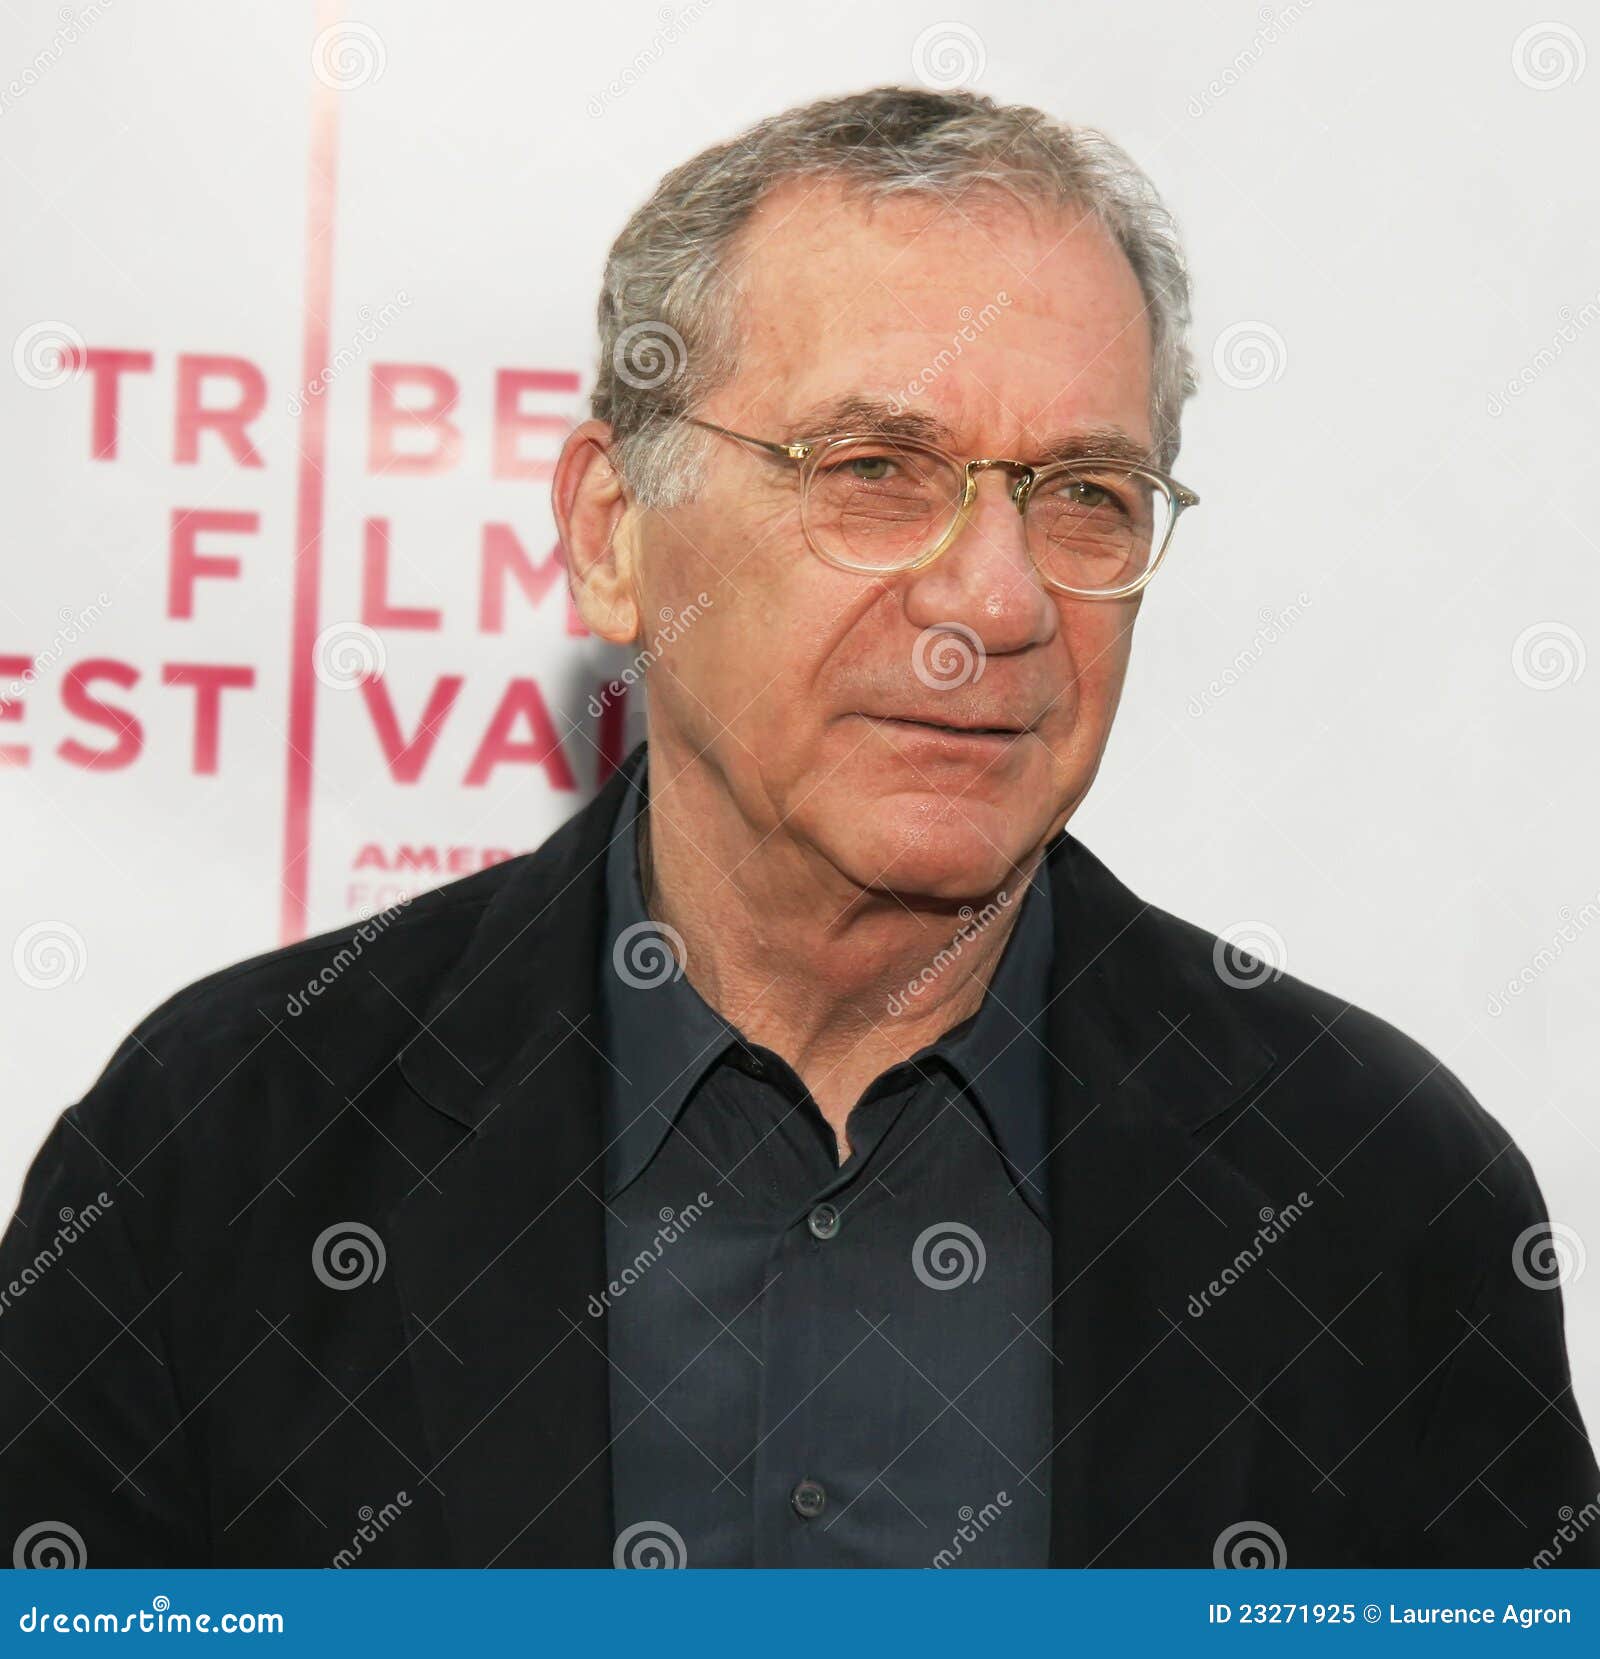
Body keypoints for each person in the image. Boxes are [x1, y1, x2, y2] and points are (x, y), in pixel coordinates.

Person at [2, 85, 1594, 1570]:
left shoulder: (1378, 1195)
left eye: (1086, 494)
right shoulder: (220, 1150)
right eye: (876, 471)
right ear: (615, 535)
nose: (997, 599)